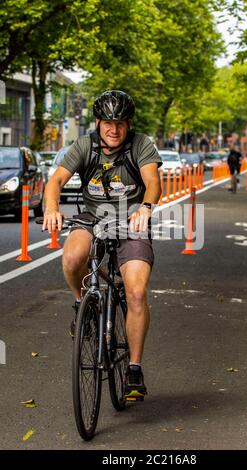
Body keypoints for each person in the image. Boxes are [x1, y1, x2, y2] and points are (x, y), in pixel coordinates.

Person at [42, 90, 162, 399]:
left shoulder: (141, 145)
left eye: (120, 123)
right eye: (108, 122)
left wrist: (145, 209)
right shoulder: (85, 145)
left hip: (131, 222)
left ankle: (134, 368)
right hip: (92, 219)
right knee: (72, 259)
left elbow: (153, 183)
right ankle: (83, 304)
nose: (114, 129)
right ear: (98, 122)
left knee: (136, 292)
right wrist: (52, 208)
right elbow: (55, 181)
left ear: (128, 124)